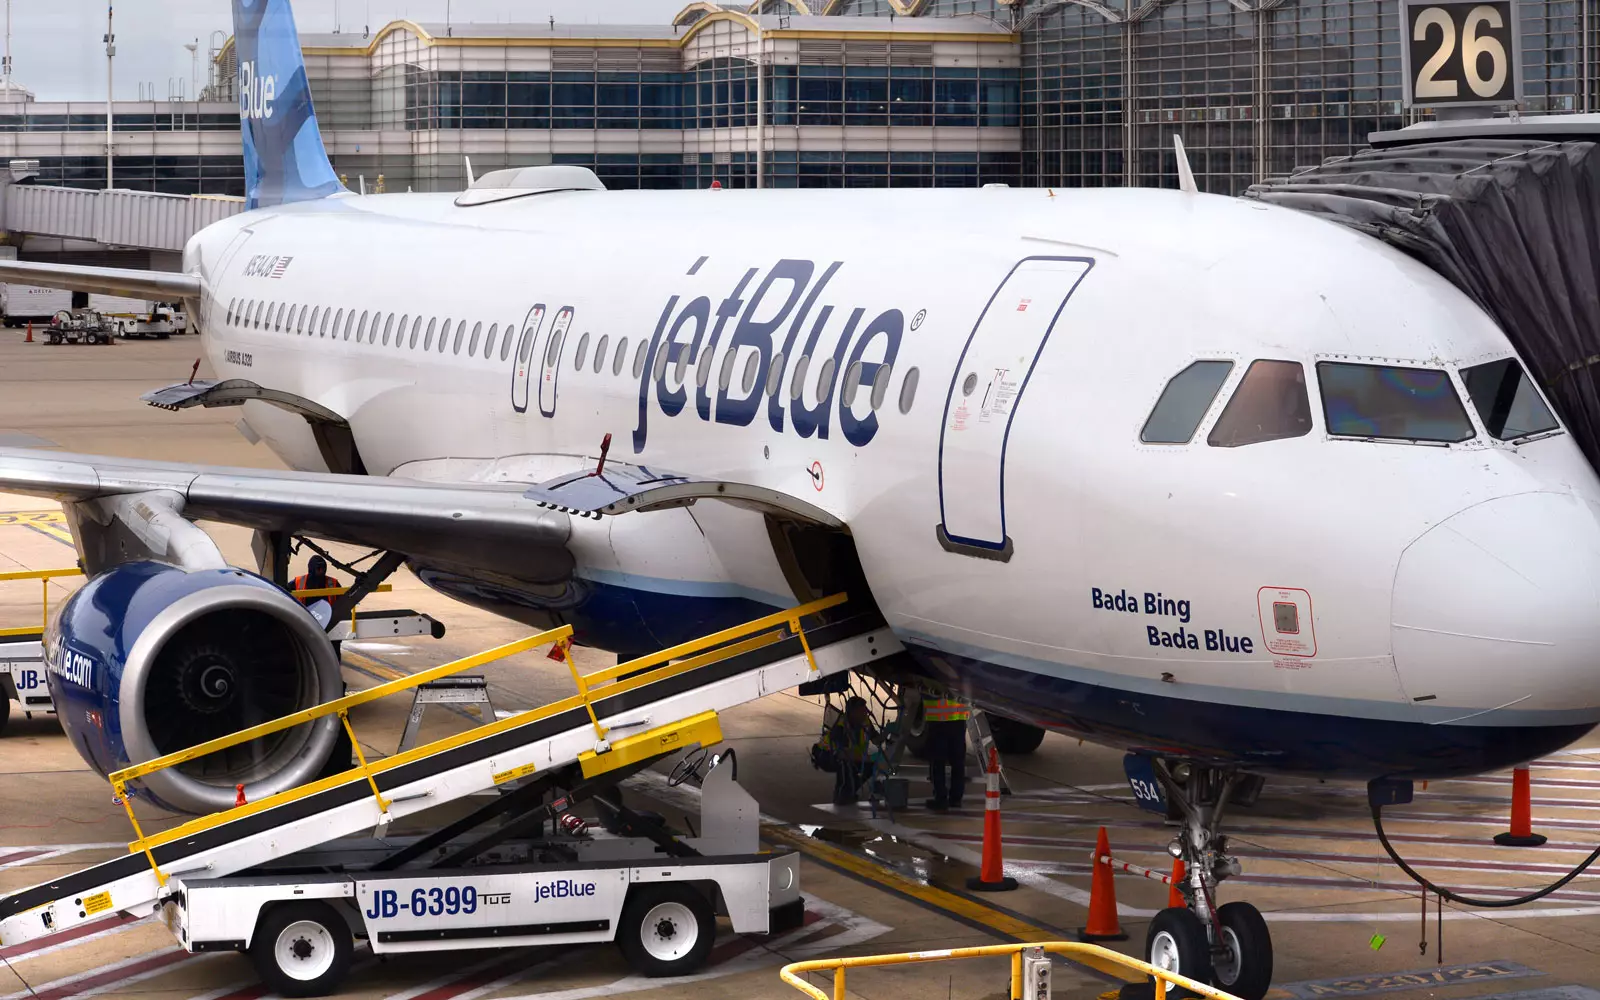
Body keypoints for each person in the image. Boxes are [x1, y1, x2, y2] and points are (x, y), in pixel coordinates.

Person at [818, 696, 880, 805]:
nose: (866, 712)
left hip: (851, 755)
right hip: (826, 755)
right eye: (862, 710)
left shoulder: (865, 722)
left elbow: (876, 740)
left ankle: (850, 791)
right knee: (846, 764)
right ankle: (841, 795)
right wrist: (868, 758)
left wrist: (891, 733)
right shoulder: (841, 727)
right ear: (853, 713)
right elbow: (842, 754)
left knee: (870, 766)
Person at [922, 691, 970, 811]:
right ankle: (956, 798)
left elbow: (927, 691)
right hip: (959, 718)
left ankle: (940, 798)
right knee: (958, 761)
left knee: (938, 761)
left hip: (939, 719)